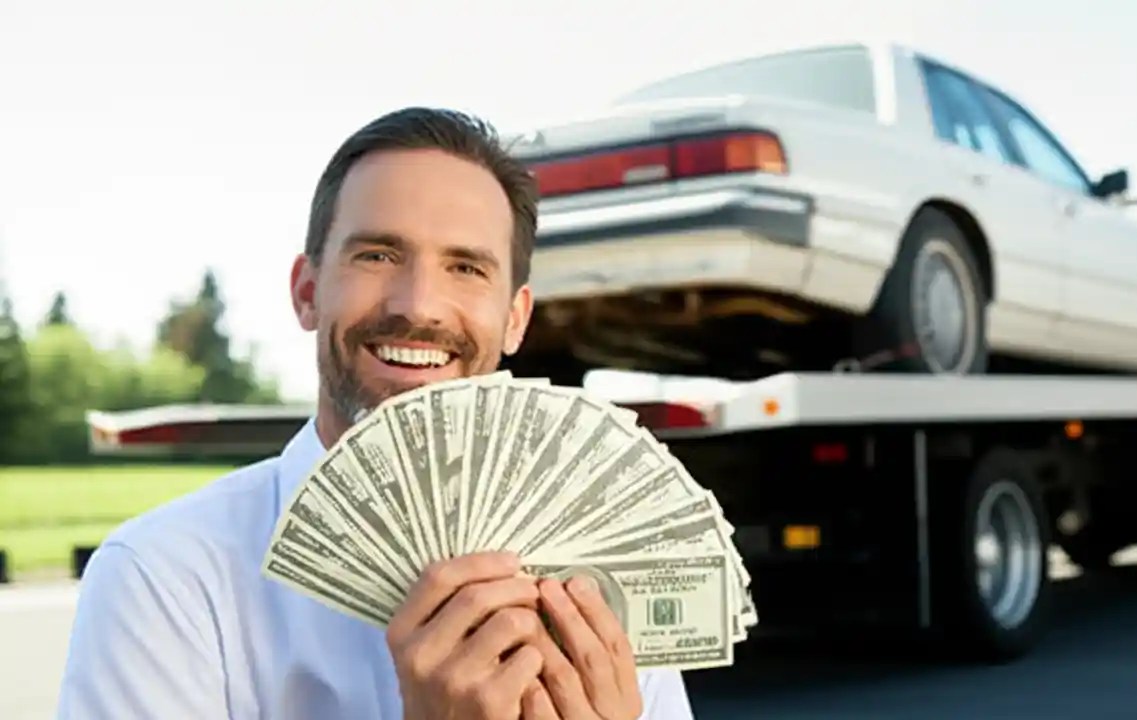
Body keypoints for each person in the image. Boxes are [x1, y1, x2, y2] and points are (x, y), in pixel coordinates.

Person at [55, 107, 696, 719]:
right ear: (306, 293)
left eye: (466, 267)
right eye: (378, 256)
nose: (419, 305)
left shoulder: (604, 591)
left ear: (516, 320)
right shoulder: (166, 577)